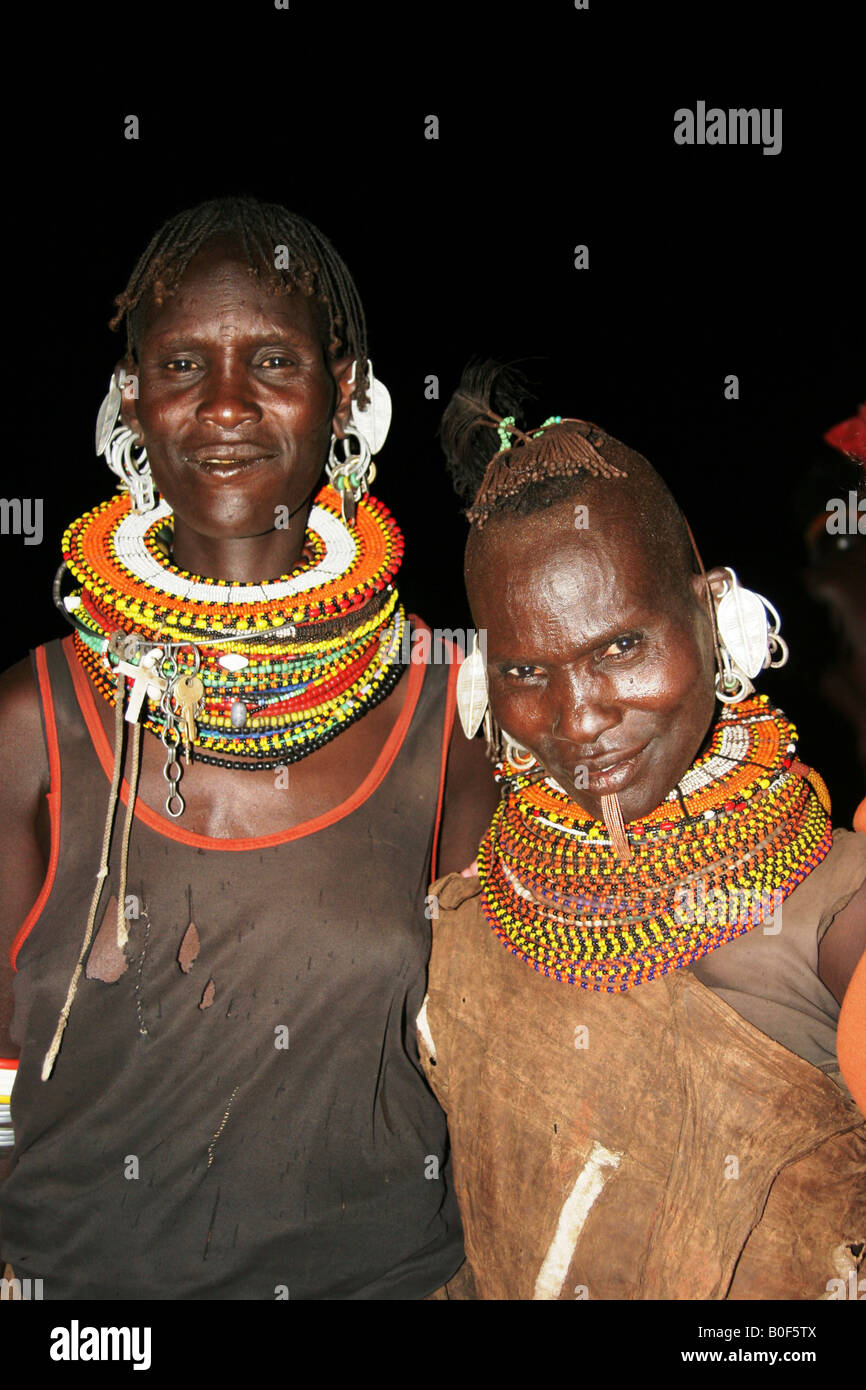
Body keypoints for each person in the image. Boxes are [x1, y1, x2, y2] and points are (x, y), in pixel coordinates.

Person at [0, 198, 497, 1300]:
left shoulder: (446, 703)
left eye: (272, 359)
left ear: (346, 394)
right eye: (181, 363)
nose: (224, 404)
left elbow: (494, 1044)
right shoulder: (33, 717)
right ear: (132, 394)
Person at [417, 363, 866, 1300]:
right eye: (527, 672)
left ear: (709, 609)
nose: (577, 720)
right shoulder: (480, 892)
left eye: (620, 646)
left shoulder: (833, 902)